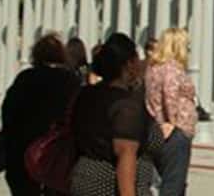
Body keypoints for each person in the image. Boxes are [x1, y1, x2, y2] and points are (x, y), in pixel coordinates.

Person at [69, 33, 164, 196]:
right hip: (110, 186)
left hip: (81, 179)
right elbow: (126, 154)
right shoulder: (126, 106)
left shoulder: (87, 94)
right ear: (128, 64)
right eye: (137, 58)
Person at [2, 33, 80, 196]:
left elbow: (8, 112)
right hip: (56, 153)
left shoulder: (25, 78)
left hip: (22, 149)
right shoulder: (70, 80)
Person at [144, 29, 196, 196]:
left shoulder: (153, 67)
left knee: (169, 180)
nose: (188, 50)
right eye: (186, 45)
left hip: (157, 128)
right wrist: (171, 122)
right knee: (174, 183)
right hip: (176, 132)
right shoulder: (172, 68)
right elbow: (170, 93)